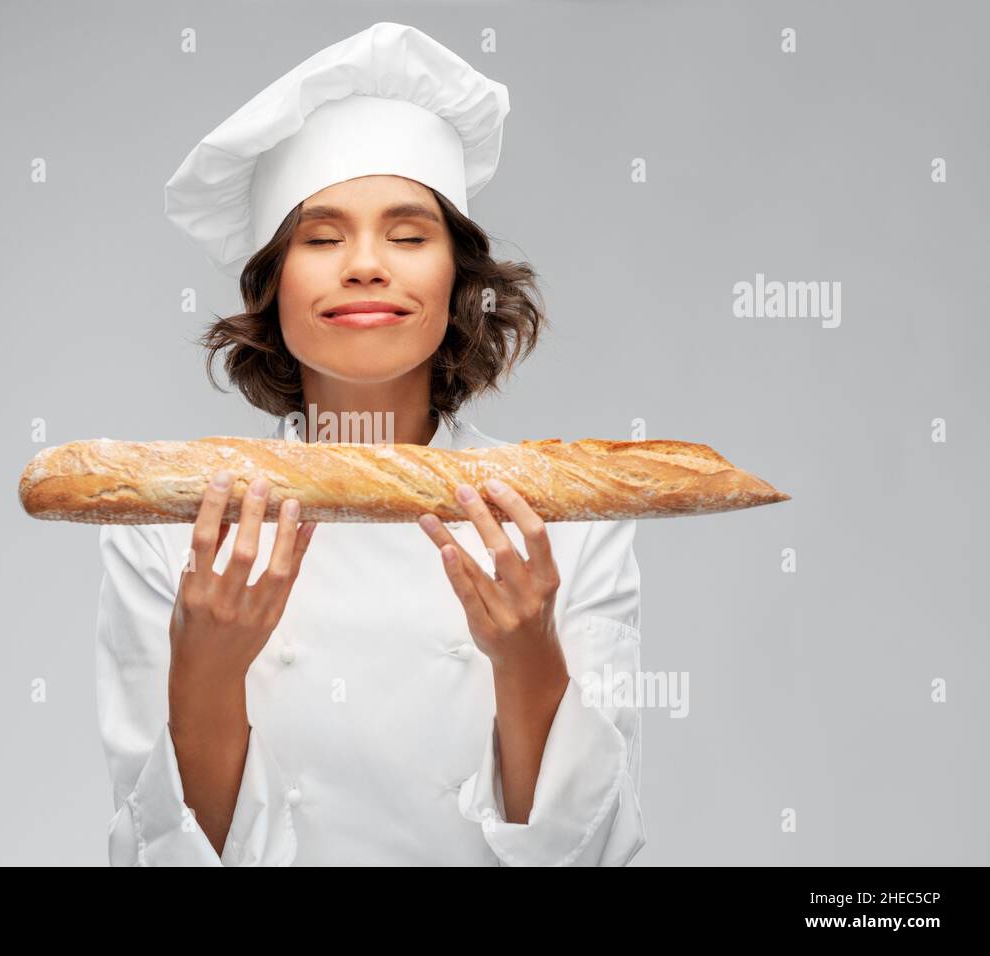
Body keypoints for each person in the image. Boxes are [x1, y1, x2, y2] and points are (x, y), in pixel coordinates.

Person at [95, 21, 644, 866]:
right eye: (320, 238)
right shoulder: (166, 526)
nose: (364, 265)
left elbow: (592, 852)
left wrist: (527, 650)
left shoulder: (567, 518)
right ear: (272, 285)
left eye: (409, 234)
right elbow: (158, 855)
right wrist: (207, 665)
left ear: (459, 280)